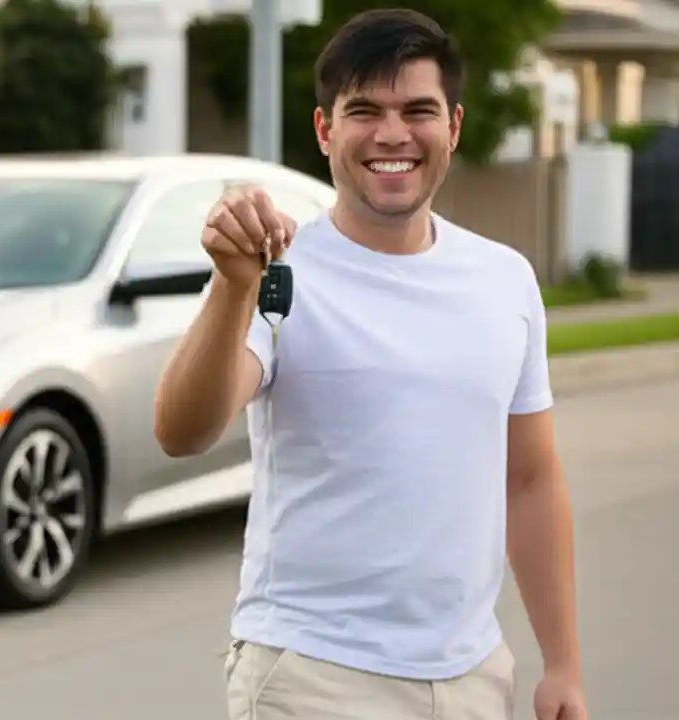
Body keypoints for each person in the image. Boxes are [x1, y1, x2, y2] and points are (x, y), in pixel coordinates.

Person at [153, 8, 587, 720]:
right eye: (365, 111)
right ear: (326, 131)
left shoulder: (505, 279)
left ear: (453, 125)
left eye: (417, 110)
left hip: (474, 676)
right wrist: (231, 286)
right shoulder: (278, 271)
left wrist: (563, 664)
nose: (392, 135)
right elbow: (183, 430)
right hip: (313, 677)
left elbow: (531, 479)